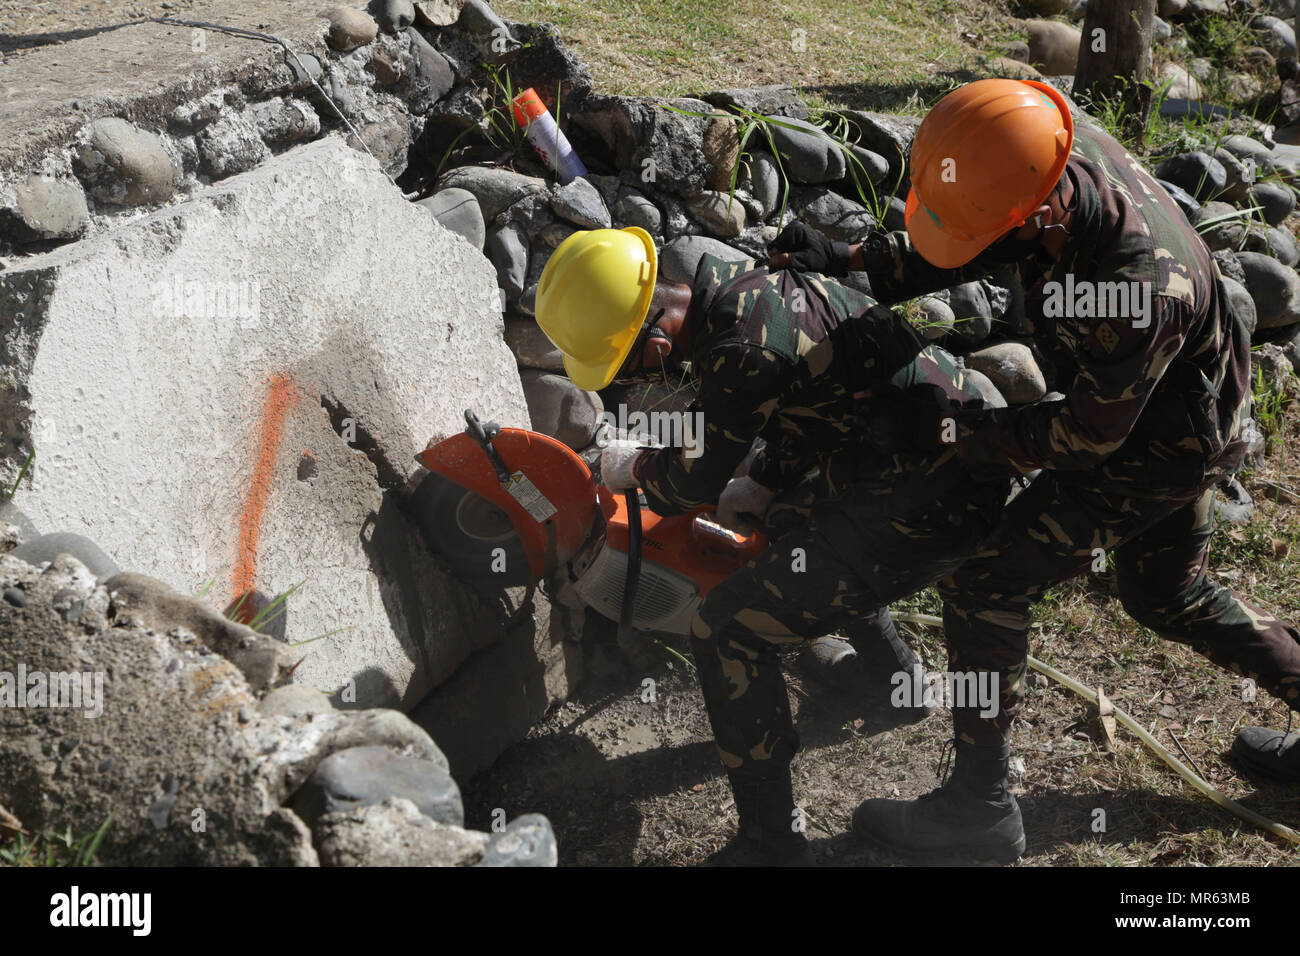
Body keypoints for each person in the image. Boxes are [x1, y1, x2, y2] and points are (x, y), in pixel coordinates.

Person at [770, 77, 1300, 863]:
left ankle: (978, 808)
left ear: (1043, 215)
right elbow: (964, 230)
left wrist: (966, 431)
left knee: (987, 582)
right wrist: (852, 258)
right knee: (1168, 594)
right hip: (1168, 403)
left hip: (1157, 441)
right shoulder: (1028, 148)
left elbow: (1086, 436)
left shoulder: (1132, 287)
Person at [535, 226, 1008, 864]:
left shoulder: (740, 353)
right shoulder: (743, 293)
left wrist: (634, 466)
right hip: (919, 457)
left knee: (726, 628)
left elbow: (684, 486)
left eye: (629, 366)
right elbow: (817, 402)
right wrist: (763, 481)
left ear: (657, 336)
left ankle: (772, 842)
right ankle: (893, 685)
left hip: (940, 491)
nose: (630, 381)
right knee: (787, 525)